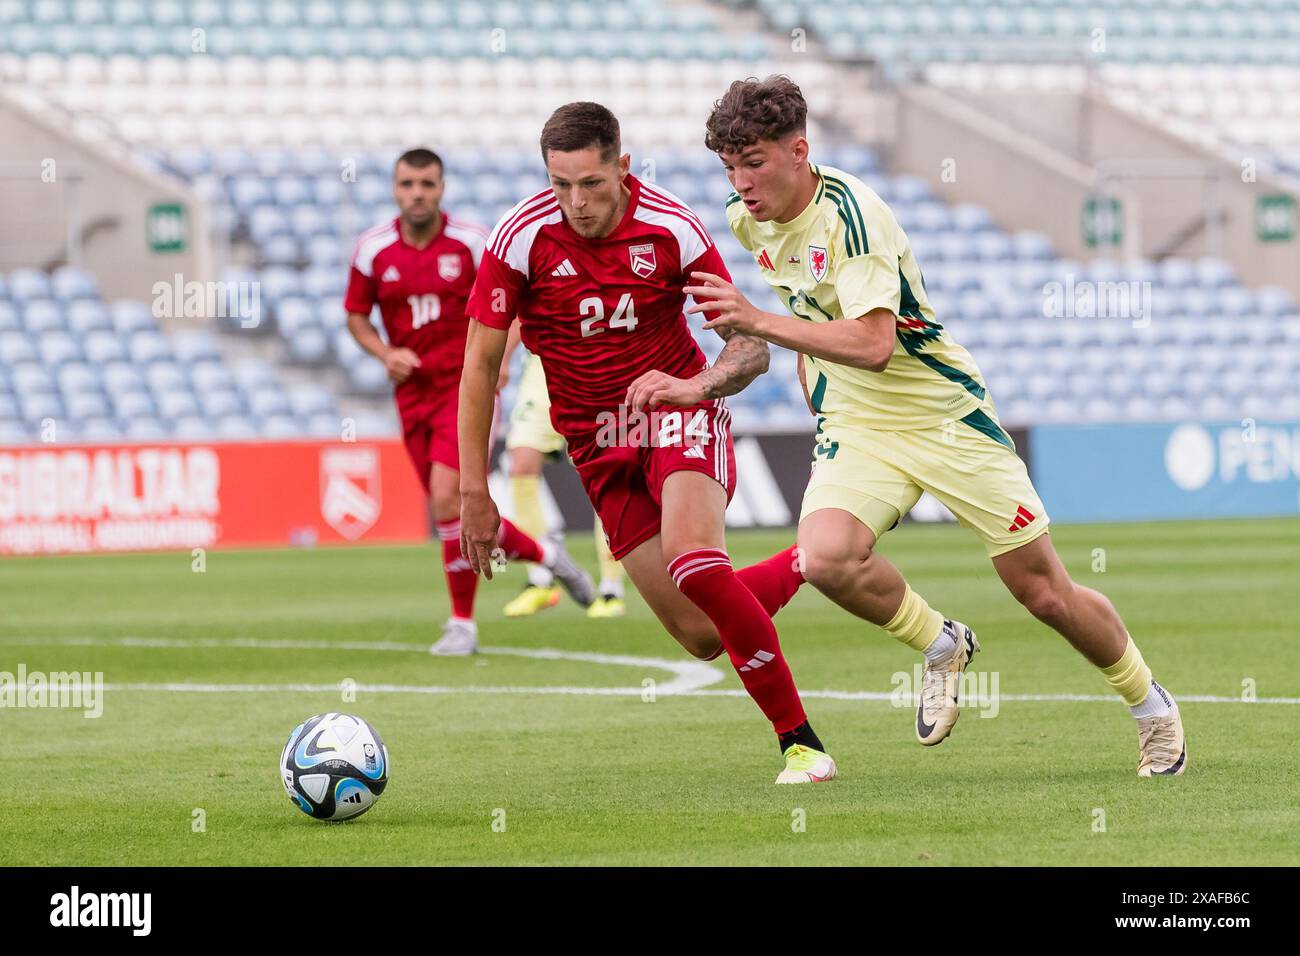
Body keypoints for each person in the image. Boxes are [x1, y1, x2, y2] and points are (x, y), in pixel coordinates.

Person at [694, 76, 1185, 776]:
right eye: (729, 167)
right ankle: (940, 642)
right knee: (827, 557)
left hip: (941, 414)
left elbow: (873, 343)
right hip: (860, 420)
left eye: (754, 163)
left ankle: (1151, 707)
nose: (740, 183)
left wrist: (755, 320)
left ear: (799, 151)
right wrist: (814, 384)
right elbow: (808, 312)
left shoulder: (851, 218)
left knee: (1044, 593)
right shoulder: (750, 218)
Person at [457, 103, 833, 784]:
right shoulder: (520, 238)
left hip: (677, 412)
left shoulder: (672, 228)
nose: (575, 202)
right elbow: (480, 365)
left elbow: (749, 349)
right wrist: (472, 491)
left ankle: (799, 742)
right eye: (560, 184)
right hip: (597, 446)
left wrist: (702, 386)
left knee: (695, 561)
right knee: (700, 635)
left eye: (591, 184)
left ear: (622, 168)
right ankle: (815, 558)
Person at [344, 147, 594, 657]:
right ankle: (547, 554)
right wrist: (384, 352)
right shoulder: (373, 250)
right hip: (411, 396)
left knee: (446, 499)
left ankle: (462, 624)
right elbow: (356, 315)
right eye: (408, 184)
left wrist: (499, 360)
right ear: (395, 188)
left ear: (442, 188)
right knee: (453, 514)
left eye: (427, 184)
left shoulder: (473, 243)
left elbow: (519, 300)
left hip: (465, 390)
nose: (418, 193)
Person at [500, 337, 628, 620]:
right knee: (520, 464)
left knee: (603, 475)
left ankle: (611, 589)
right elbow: (516, 313)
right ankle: (541, 576)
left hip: (595, 365)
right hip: (543, 367)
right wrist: (503, 358)